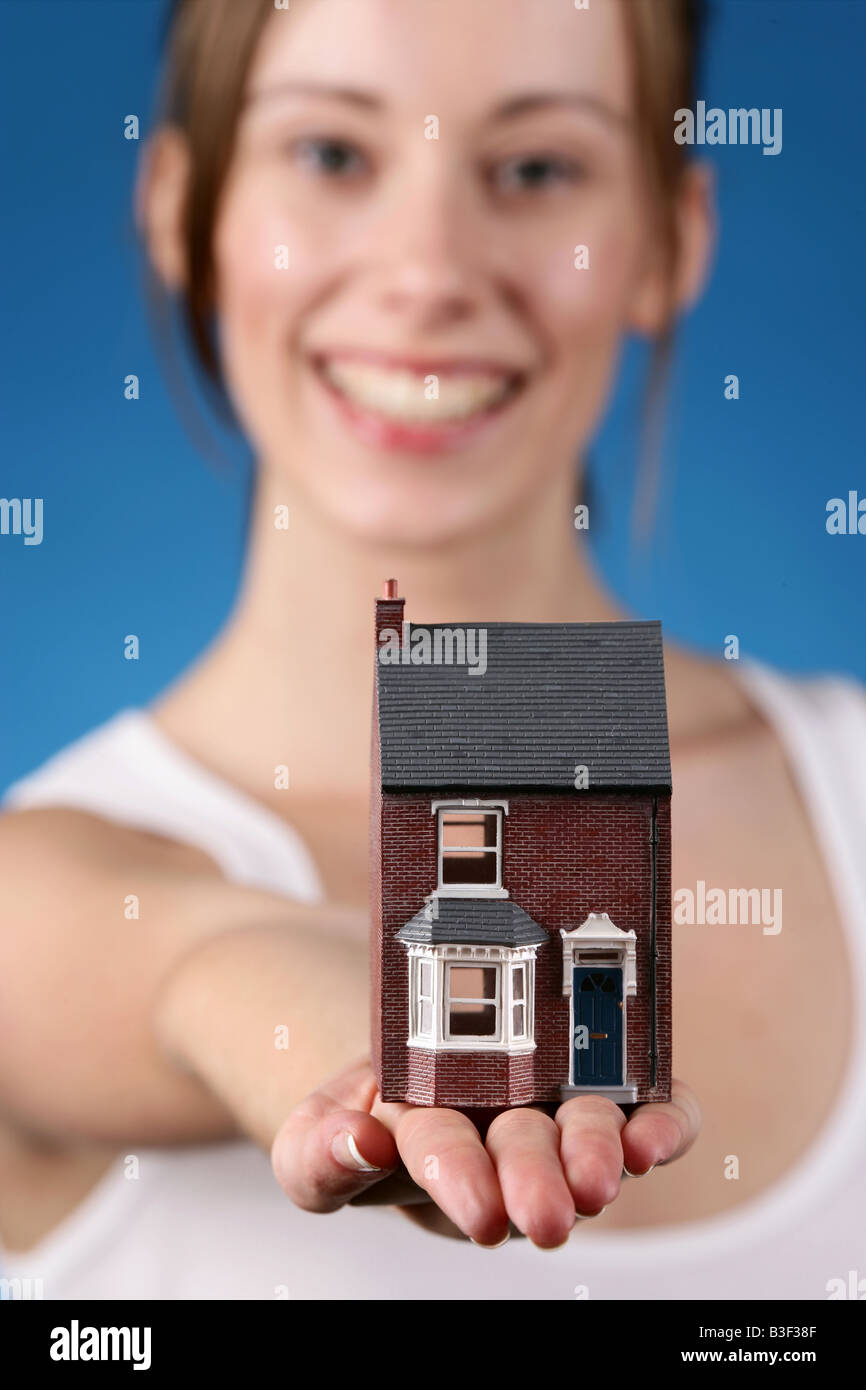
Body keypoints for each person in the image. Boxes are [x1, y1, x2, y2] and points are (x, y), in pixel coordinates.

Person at [1, 0, 863, 1300]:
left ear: (665, 240)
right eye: (332, 155)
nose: (428, 269)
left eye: (535, 168)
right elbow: (178, 961)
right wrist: (349, 1038)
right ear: (187, 209)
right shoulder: (50, 887)